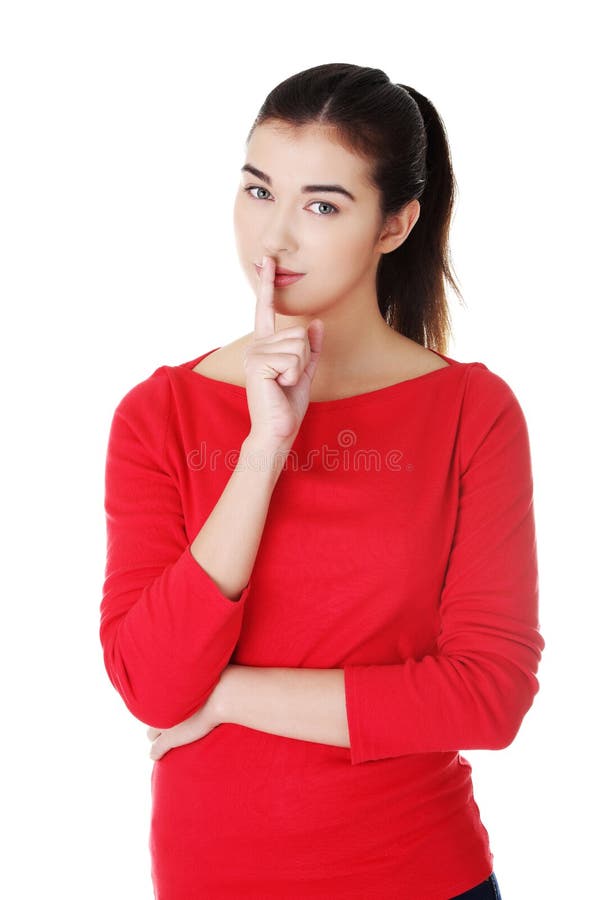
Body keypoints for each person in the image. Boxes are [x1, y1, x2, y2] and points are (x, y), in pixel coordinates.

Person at [99, 63, 544, 899]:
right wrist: (264, 449)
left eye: (322, 206)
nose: (273, 240)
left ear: (395, 223)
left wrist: (228, 697)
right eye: (259, 191)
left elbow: (488, 697)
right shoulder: (160, 414)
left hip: (422, 875)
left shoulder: (469, 412)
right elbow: (153, 685)